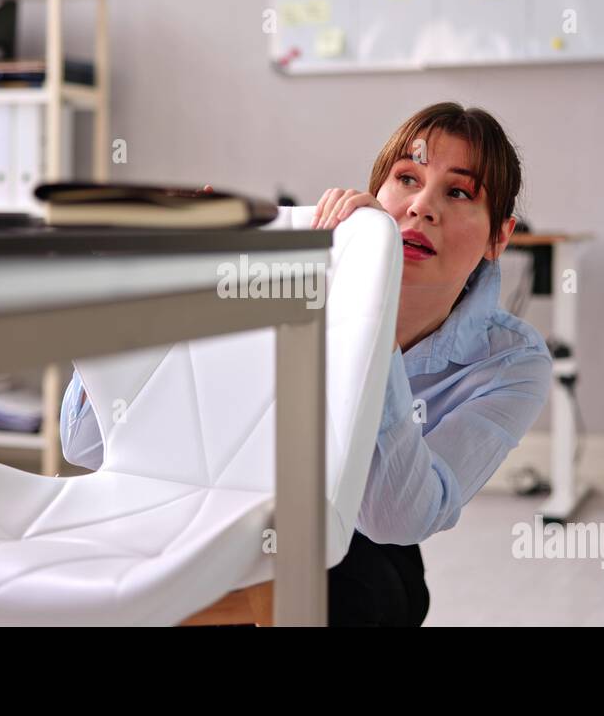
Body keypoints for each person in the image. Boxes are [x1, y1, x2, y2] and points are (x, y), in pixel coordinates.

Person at [59, 102, 551, 626]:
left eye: (457, 192)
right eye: (406, 178)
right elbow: (85, 441)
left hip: (358, 538)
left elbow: (398, 518)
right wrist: (161, 279)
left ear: (500, 235)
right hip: (218, 503)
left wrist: (370, 312)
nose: (422, 207)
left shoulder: (511, 362)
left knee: (372, 596)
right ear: (377, 195)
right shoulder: (279, 272)